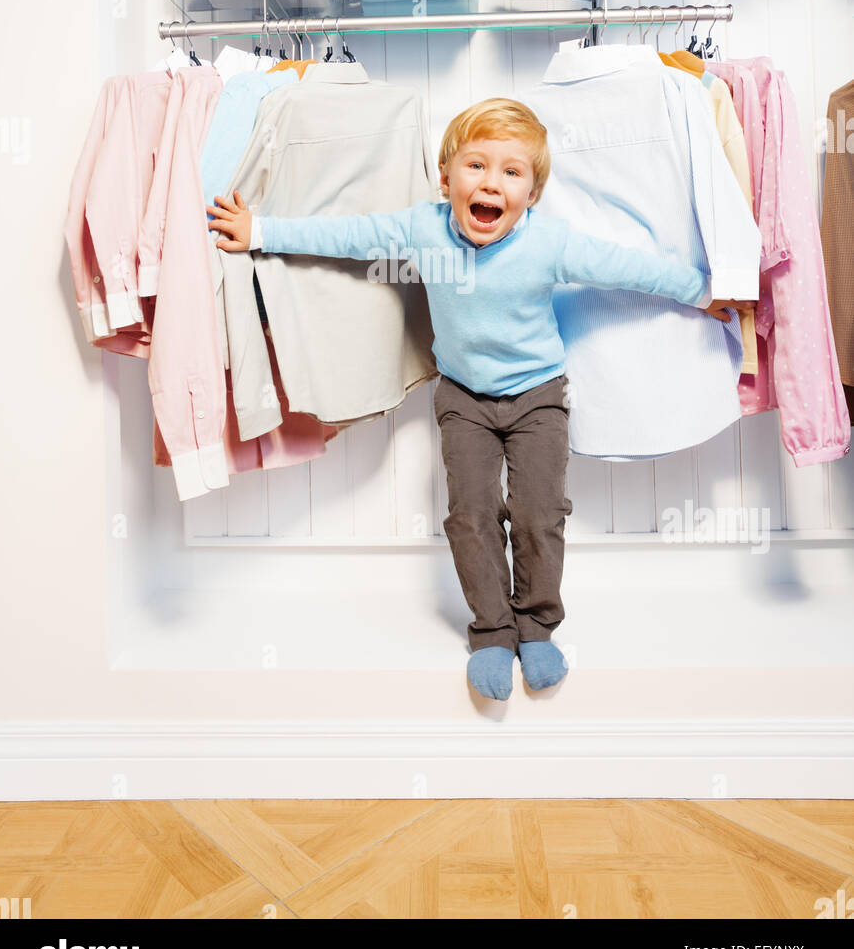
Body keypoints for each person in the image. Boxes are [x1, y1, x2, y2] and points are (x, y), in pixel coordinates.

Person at [208, 98, 754, 701]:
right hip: (463, 400)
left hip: (539, 397)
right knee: (470, 515)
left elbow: (627, 268)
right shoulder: (422, 229)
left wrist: (700, 292)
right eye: (476, 166)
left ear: (531, 195)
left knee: (538, 514)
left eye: (511, 172)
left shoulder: (549, 243)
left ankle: (537, 627)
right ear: (446, 179)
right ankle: (493, 631)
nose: (491, 182)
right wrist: (262, 232)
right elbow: (351, 234)